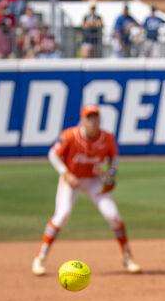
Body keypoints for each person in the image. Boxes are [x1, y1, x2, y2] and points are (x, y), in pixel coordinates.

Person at [33, 103, 136, 276]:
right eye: (89, 118)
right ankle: (40, 258)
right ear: (83, 120)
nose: (93, 121)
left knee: (113, 216)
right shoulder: (70, 136)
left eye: (95, 117)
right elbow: (53, 154)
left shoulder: (107, 137)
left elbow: (114, 159)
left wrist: (110, 174)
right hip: (72, 179)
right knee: (63, 214)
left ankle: (128, 257)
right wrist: (65, 173)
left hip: (94, 181)